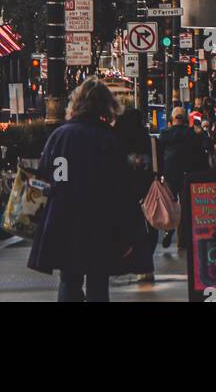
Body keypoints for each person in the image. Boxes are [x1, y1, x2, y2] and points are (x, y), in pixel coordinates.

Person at [28, 78, 152, 303]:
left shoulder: (59, 136)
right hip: (99, 220)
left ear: (75, 103)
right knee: (98, 279)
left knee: (69, 278)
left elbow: (43, 177)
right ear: (106, 106)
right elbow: (121, 185)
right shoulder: (108, 138)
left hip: (63, 216)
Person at [157, 107, 210, 251]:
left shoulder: (165, 134)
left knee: (170, 205)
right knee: (186, 207)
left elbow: (159, 155)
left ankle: (169, 228)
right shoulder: (191, 134)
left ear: (171, 120)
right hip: (188, 174)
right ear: (185, 120)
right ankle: (183, 239)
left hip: (169, 174)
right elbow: (203, 149)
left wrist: (159, 174)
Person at [114, 107, 156, 283]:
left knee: (130, 229)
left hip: (124, 192)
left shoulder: (117, 139)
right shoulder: (146, 138)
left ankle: (131, 263)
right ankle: (145, 266)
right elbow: (154, 162)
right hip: (146, 190)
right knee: (149, 229)